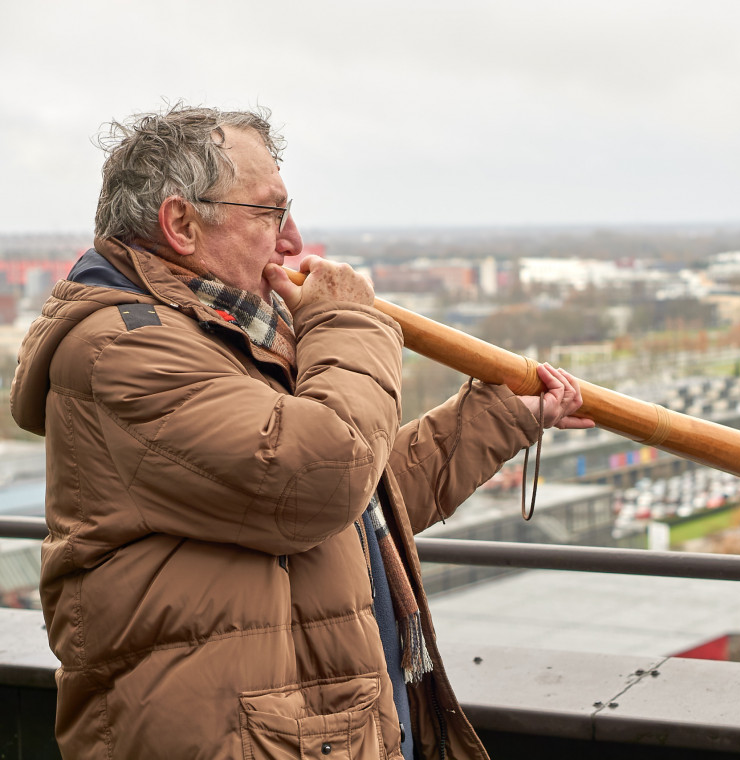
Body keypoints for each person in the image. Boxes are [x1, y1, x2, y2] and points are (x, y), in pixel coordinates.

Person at [10, 105, 593, 759]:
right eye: (270, 213)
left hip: (305, 730)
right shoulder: (124, 348)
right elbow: (321, 478)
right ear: (181, 223)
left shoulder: (223, 332)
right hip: (231, 741)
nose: (293, 241)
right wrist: (348, 319)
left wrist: (504, 414)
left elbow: (361, 495)